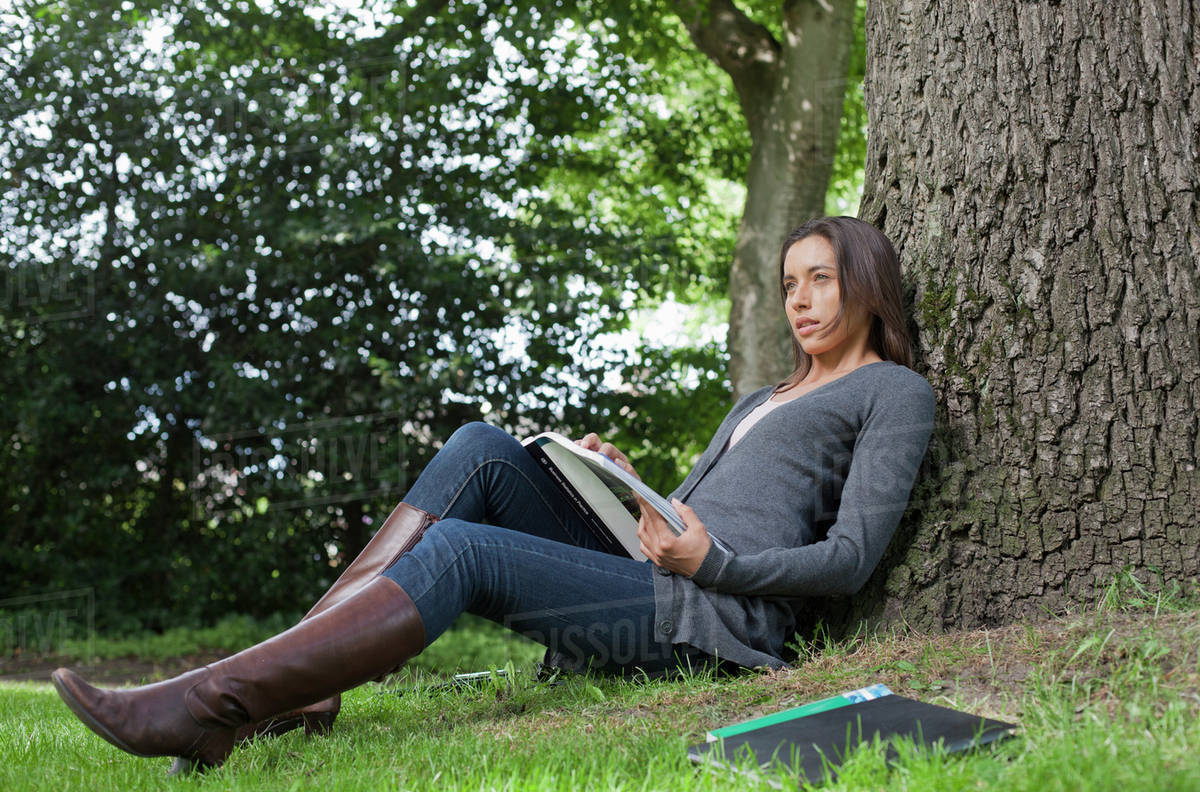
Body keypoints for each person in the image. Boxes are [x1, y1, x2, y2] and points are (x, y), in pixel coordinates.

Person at [52, 216, 936, 771]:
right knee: (483, 447)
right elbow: (701, 509)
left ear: (866, 279)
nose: (801, 300)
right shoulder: (762, 398)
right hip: (656, 571)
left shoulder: (892, 393)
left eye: (821, 277)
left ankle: (214, 703)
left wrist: (718, 560)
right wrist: (629, 486)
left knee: (466, 550)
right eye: (790, 283)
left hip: (711, 621)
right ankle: (301, 690)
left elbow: (850, 561)